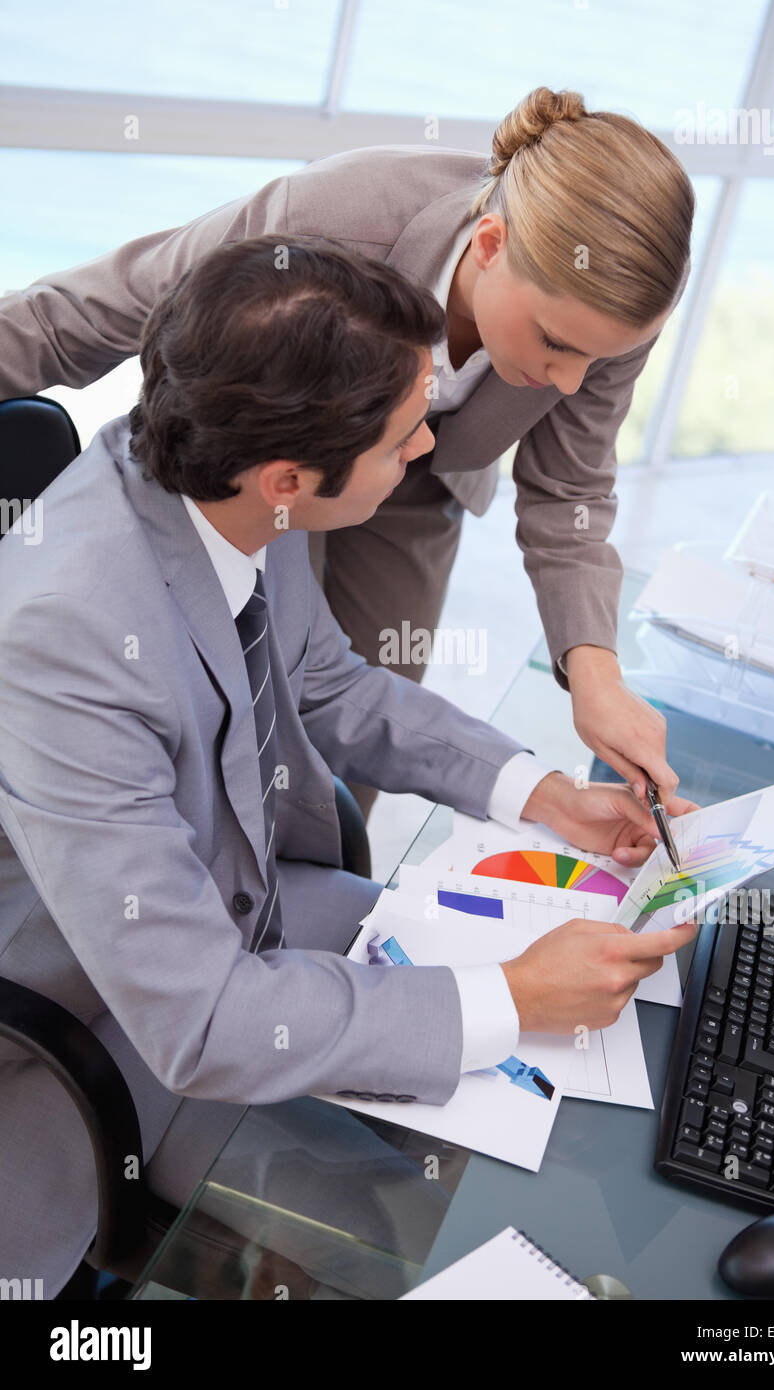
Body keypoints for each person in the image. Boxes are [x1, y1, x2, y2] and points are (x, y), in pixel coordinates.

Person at [0, 235, 698, 1298]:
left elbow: (326, 681)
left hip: (246, 917)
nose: (427, 446)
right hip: (109, 1023)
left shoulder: (233, 471)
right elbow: (195, 1019)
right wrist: (509, 994)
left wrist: (542, 792)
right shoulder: (67, 637)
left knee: (588, 1118)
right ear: (288, 478)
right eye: (404, 432)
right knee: (460, 1240)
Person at [0, 85, 695, 821]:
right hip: (262, 463)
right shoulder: (329, 217)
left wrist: (596, 674)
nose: (568, 383)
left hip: (428, 484)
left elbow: (569, 492)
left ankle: (304, 881)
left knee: (356, 718)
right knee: (206, 693)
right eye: (555, 344)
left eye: (596, 360)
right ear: (489, 245)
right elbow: (86, 313)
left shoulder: (611, 310)